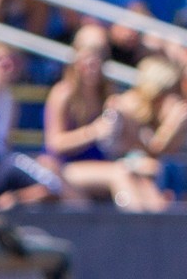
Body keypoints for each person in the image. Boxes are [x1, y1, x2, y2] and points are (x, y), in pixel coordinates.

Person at [43, 25, 166, 211]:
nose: (92, 66)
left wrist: (126, 118)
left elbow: (133, 143)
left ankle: (161, 223)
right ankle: (135, 223)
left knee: (143, 178)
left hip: (101, 165)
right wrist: (93, 132)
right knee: (119, 173)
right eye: (87, 59)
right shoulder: (63, 93)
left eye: (97, 58)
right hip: (65, 168)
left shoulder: (108, 95)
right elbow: (55, 144)